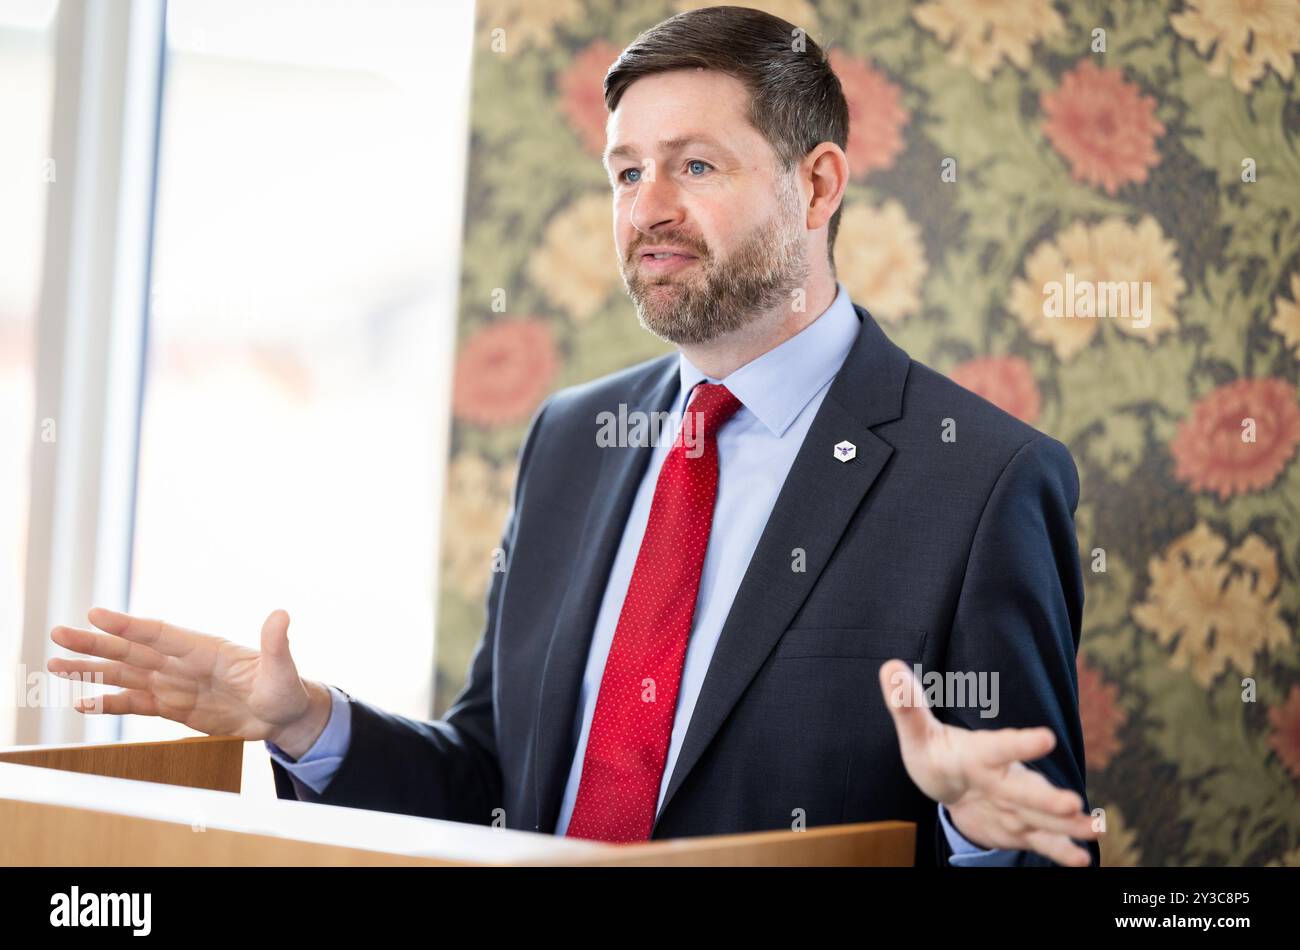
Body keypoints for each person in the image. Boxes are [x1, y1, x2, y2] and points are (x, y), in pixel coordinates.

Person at [47, 5, 1098, 866]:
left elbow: (1037, 830)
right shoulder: (572, 437)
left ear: (817, 183)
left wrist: (968, 828)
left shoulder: (984, 480)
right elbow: (491, 778)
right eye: (626, 171)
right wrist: (308, 719)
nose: (649, 208)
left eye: (694, 165)